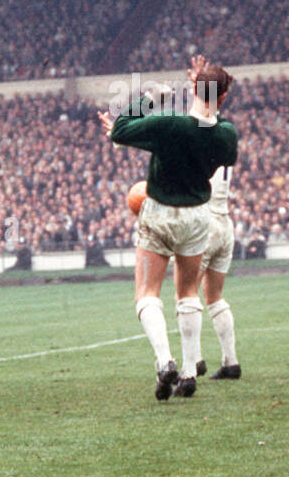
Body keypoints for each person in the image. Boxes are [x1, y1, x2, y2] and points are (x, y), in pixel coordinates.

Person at [98, 56, 238, 400]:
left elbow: (119, 129)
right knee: (189, 293)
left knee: (147, 294)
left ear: (192, 89)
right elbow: (208, 125)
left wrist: (149, 100)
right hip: (196, 216)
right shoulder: (227, 135)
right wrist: (203, 91)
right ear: (222, 99)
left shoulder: (167, 123)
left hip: (159, 210)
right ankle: (190, 370)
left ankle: (165, 361)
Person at [196, 162, 241, 380]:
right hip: (224, 222)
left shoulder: (197, 138)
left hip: (203, 223)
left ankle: (193, 361)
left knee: (185, 294)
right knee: (214, 298)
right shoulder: (224, 139)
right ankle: (231, 362)